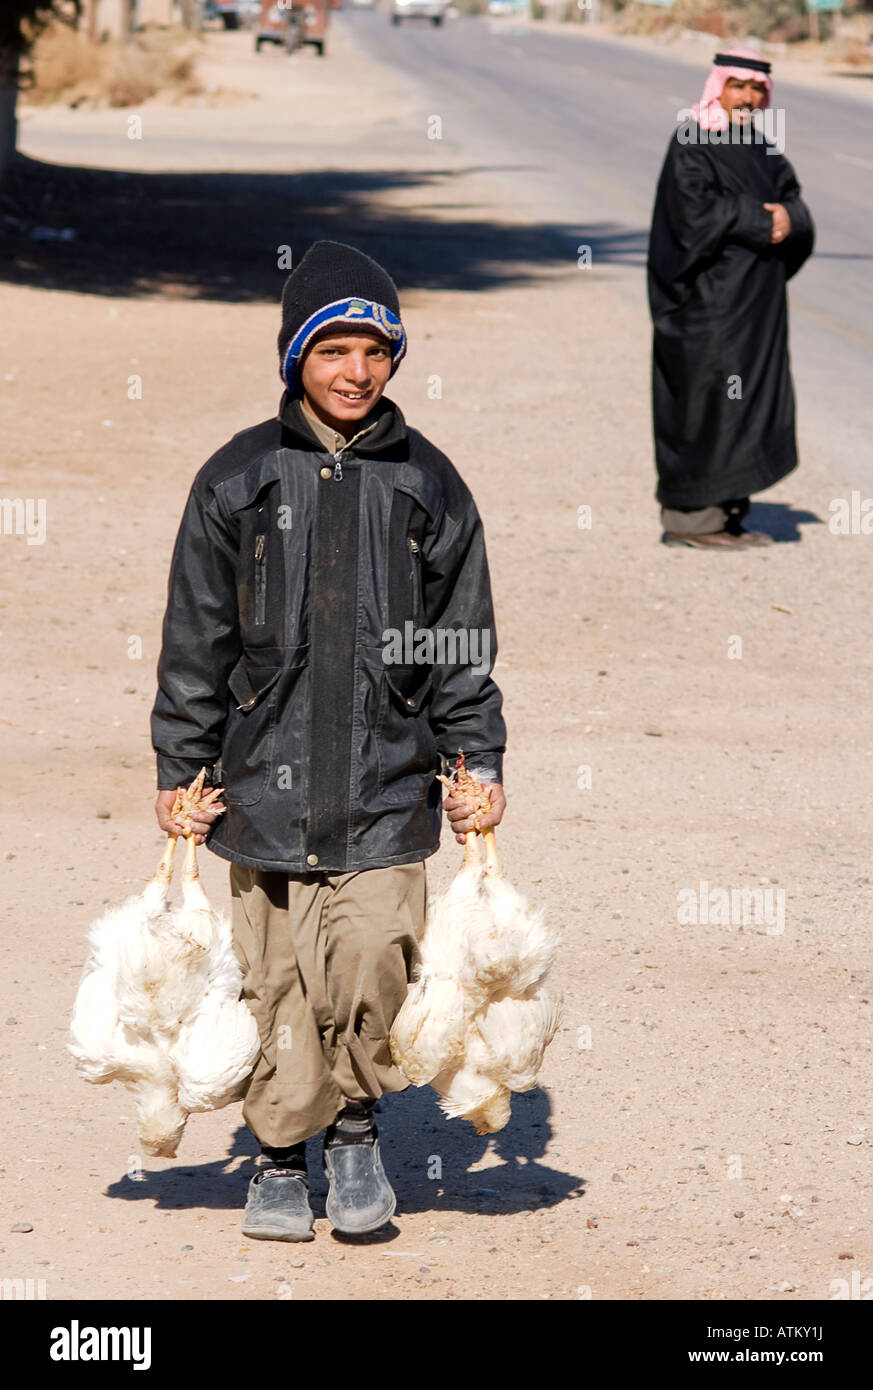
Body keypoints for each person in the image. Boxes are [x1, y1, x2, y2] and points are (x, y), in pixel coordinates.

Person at [150, 240, 507, 1240]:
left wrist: (475, 763)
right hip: (262, 785)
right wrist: (182, 766)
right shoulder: (237, 482)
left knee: (374, 964)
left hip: (389, 780)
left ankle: (353, 1129)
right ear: (294, 356)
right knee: (273, 976)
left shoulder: (432, 488)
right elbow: (196, 641)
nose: (357, 370)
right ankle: (274, 1152)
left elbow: (461, 648)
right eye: (333, 348)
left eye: (376, 349)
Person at [648, 49, 815, 549]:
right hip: (706, 309)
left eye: (756, 88)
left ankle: (727, 513)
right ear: (717, 87)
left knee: (744, 405)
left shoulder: (761, 148)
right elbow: (693, 215)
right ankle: (691, 522)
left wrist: (793, 219)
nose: (746, 96)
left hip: (755, 311)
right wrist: (765, 220)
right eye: (737, 85)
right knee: (710, 402)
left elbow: (793, 199)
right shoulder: (691, 142)